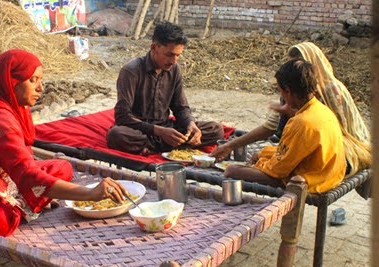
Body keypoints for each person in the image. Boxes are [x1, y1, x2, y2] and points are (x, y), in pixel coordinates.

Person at [0, 49, 127, 237]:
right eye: (33, 80)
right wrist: (90, 194)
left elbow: (22, 163)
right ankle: (22, 201)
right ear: (11, 82)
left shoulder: (14, 107)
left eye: (40, 80)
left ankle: (24, 197)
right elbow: (25, 172)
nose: (41, 88)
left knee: (62, 168)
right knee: (0, 220)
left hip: (3, 176)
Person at [216, 42, 370, 175]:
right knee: (268, 154)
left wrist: (294, 115)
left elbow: (332, 131)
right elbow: (270, 128)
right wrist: (231, 145)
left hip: (339, 149)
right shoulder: (291, 93)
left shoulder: (332, 91)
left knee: (252, 167)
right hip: (305, 145)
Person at [224, 60, 346, 195]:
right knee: (261, 154)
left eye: (280, 91)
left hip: (310, 180)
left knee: (231, 171)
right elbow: (293, 152)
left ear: (288, 91)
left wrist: (260, 163)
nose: (281, 97)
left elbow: (278, 170)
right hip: (331, 175)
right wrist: (262, 153)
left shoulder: (300, 122)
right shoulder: (322, 110)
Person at [106, 22, 223, 154]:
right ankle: (174, 145)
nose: (174, 61)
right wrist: (159, 131)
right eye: (169, 55)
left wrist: (190, 124)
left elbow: (180, 107)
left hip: (167, 128)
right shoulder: (131, 71)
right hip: (141, 131)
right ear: (154, 47)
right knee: (116, 135)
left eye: (178, 55)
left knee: (216, 129)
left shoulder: (174, 69)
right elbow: (122, 117)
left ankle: (155, 147)